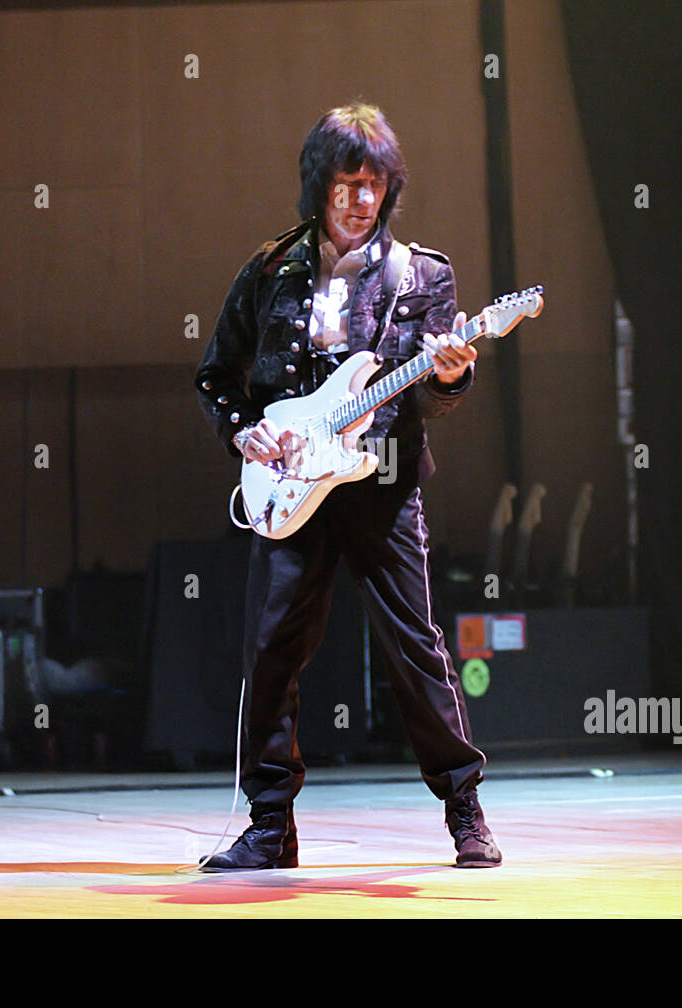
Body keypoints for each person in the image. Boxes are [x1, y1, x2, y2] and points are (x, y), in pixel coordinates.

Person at [194, 102, 500, 870]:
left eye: (372, 184)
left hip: (382, 484)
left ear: (389, 189)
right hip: (290, 484)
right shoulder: (269, 269)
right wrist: (244, 431)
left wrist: (453, 376)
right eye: (344, 183)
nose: (358, 199)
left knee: (414, 649)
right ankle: (269, 826)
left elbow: (426, 395)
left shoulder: (422, 277)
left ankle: (465, 811)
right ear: (318, 186)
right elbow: (215, 376)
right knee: (271, 650)